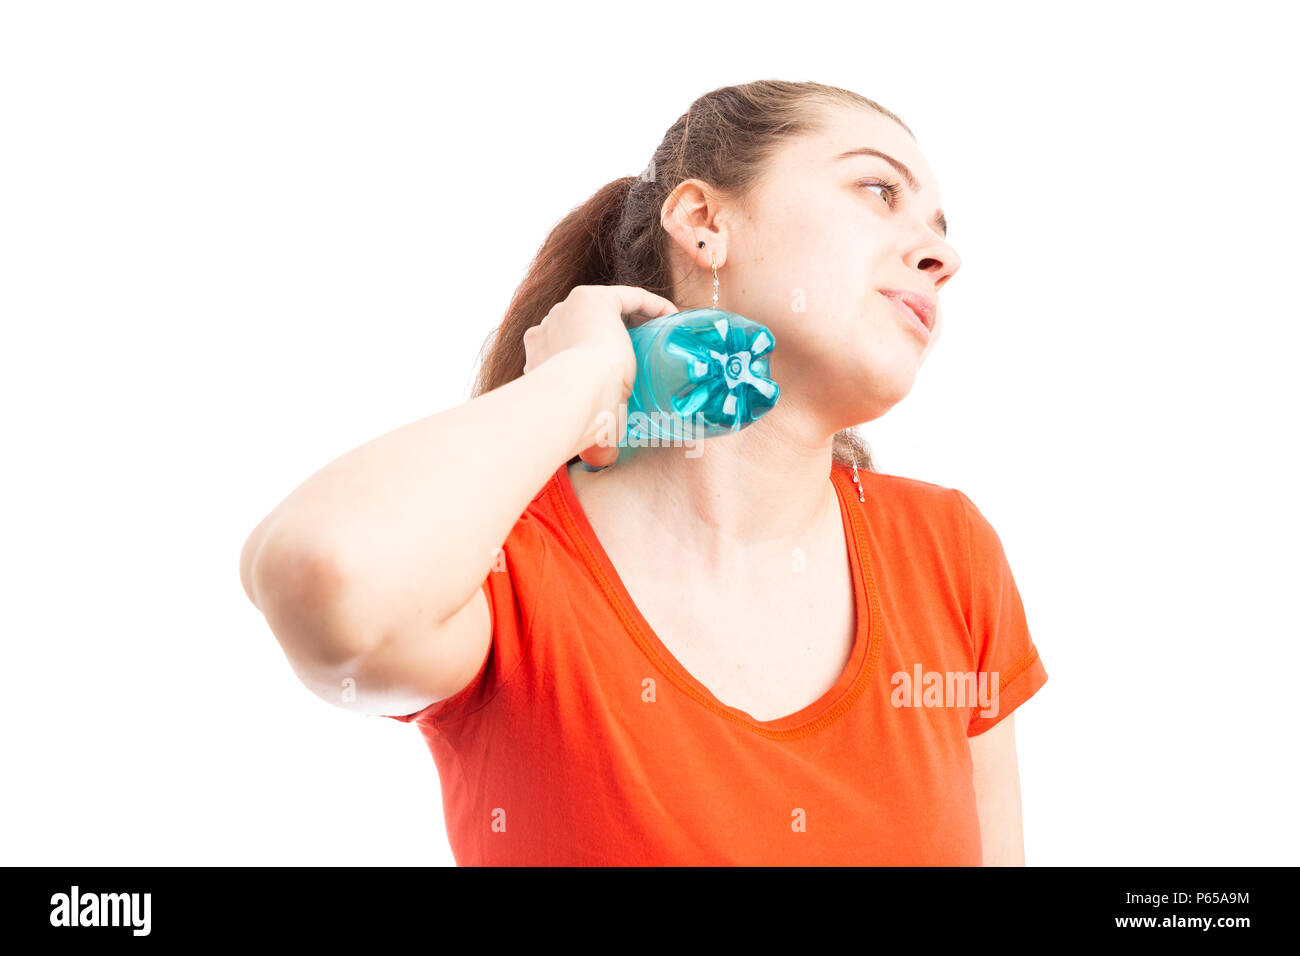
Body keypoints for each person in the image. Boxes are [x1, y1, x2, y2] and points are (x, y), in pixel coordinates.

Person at [239, 79, 1048, 866]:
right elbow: (324, 573)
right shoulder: (506, 569)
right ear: (704, 223)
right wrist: (577, 380)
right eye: (878, 190)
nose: (941, 254)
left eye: (940, 228)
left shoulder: (949, 553)